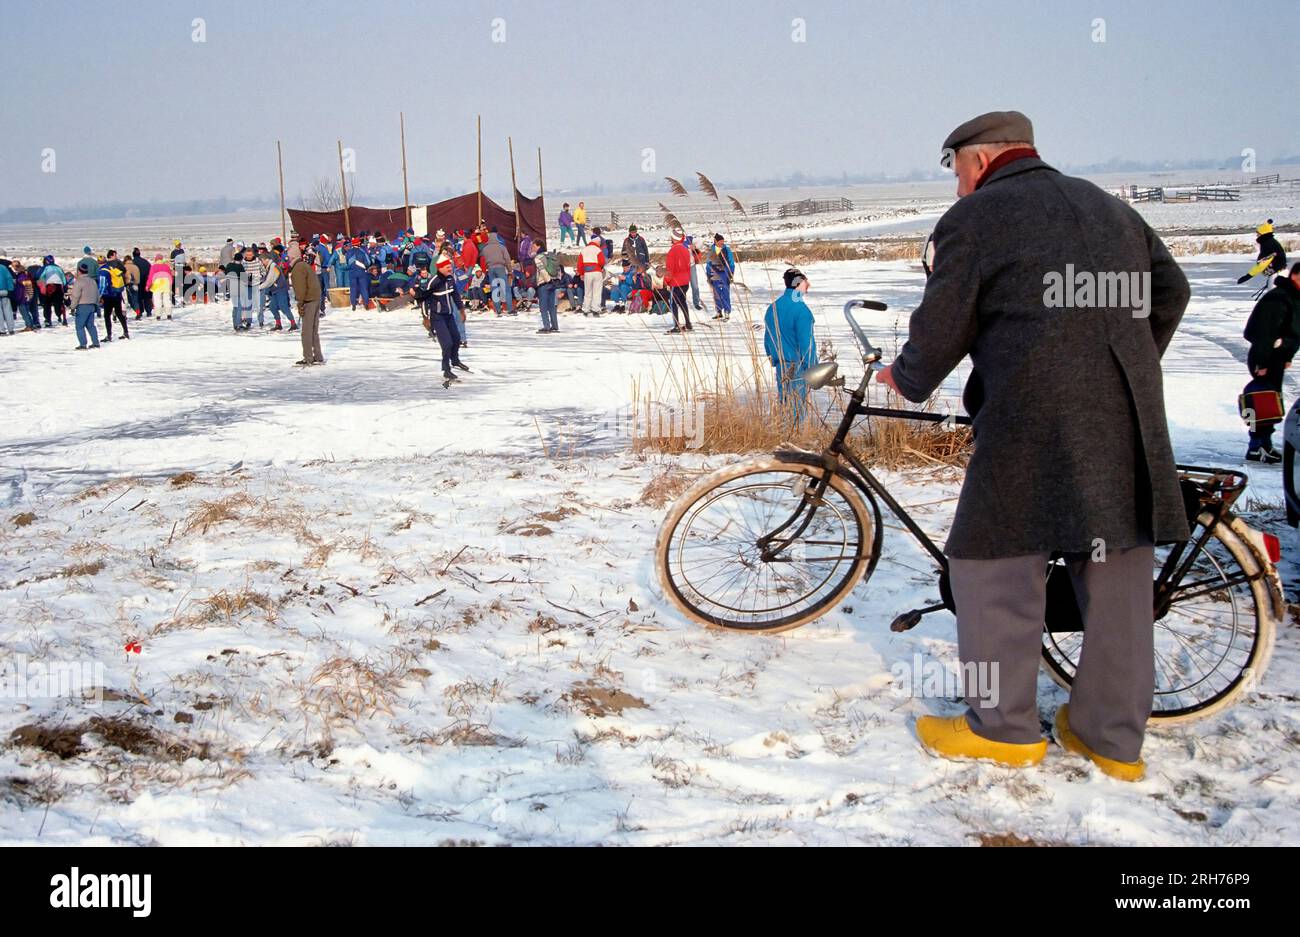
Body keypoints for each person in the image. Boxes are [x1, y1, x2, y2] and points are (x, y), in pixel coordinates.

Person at [876, 110, 1190, 781]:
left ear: (980, 159)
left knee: (989, 565)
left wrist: (904, 377)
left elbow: (940, 328)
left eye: (955, 167)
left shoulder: (975, 219)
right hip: (1126, 419)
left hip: (1029, 421)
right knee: (1116, 574)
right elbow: (1173, 290)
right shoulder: (1108, 207)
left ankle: (1004, 729)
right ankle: (1110, 738)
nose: (957, 184)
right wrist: (1125, 365)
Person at [1241, 262, 1300, 461]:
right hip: (1265, 357)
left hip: (1274, 358)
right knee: (1263, 401)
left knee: (1270, 401)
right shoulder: (1279, 299)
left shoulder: (1292, 298)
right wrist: (1262, 363)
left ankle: (1261, 444)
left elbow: (1291, 332)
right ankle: (1258, 446)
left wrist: (1287, 355)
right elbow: (1264, 334)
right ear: (1295, 276)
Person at [762, 268, 816, 420]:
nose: (809, 284)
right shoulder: (802, 310)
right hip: (797, 366)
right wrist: (813, 368)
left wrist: (773, 358)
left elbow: (768, 338)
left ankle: (784, 438)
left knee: (785, 406)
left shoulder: (773, 307)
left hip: (781, 365)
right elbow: (807, 344)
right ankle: (795, 438)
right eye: (806, 281)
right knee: (797, 410)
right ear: (798, 283)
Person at [412, 256, 470, 386]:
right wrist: (425, 318)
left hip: (448, 315)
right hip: (437, 317)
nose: (450, 268)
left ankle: (455, 360)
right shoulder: (433, 282)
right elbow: (422, 300)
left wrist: (461, 310)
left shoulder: (450, 278)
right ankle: (446, 369)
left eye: (450, 266)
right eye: (447, 267)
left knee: (456, 339)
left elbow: (455, 295)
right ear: (440, 268)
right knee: (447, 343)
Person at [289, 251, 324, 366]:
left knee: (306, 331)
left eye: (288, 257)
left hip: (308, 301)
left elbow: (300, 288)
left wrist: (300, 303)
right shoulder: (305, 265)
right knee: (314, 330)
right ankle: (318, 356)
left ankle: (308, 357)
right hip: (316, 298)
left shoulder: (297, 269)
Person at [97, 250, 130, 341]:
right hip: (117, 293)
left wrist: (99, 296)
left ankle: (109, 335)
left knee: (107, 315)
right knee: (119, 313)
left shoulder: (103, 271)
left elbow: (103, 285)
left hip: (108, 295)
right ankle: (126, 332)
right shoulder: (110, 268)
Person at [68, 259, 102, 349]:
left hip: (82, 306)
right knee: (90, 325)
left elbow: (75, 296)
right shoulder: (92, 281)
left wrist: (72, 307)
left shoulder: (79, 282)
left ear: (79, 271)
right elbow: (97, 295)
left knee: (79, 326)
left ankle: (83, 344)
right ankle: (96, 342)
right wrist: (97, 306)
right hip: (92, 305)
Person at [479, 230, 513, 316]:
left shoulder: (485, 248)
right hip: (500, 268)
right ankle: (509, 309)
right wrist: (510, 271)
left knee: (494, 289)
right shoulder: (501, 247)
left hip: (490, 269)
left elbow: (481, 257)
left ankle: (497, 310)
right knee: (506, 288)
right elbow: (507, 260)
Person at [664, 229, 692, 332]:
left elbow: (670, 269)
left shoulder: (672, 251)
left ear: (674, 238)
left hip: (676, 282)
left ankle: (676, 326)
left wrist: (666, 281)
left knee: (674, 303)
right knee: (683, 302)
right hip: (685, 281)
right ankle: (688, 323)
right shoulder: (685, 249)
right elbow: (690, 266)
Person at [534, 241, 562, 333]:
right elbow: (558, 268)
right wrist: (557, 279)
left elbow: (542, 270)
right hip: (554, 283)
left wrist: (548, 280)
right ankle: (555, 326)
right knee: (552, 306)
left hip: (544, 283)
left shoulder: (538, 258)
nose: (532, 248)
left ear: (539, 246)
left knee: (543, 306)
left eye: (534, 246)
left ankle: (546, 326)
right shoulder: (551, 255)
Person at [577, 227, 606, 317]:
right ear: (597, 242)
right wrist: (600, 268)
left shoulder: (584, 250)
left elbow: (580, 264)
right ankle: (595, 310)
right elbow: (602, 262)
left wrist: (581, 273)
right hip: (597, 272)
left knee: (588, 292)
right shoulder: (598, 250)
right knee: (597, 292)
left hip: (587, 273)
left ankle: (586, 309)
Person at [707, 233, 736, 320]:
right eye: (720, 241)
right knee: (716, 293)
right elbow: (708, 263)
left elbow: (731, 262)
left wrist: (731, 274)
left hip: (725, 273)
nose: (722, 242)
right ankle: (719, 312)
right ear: (716, 241)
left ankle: (727, 312)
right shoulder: (712, 250)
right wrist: (708, 275)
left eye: (723, 241)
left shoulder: (727, 250)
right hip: (714, 273)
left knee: (725, 293)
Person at [38, 256, 68, 326]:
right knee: (58, 303)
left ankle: (48, 320)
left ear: (46, 261)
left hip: (49, 287)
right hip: (59, 287)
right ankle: (60, 315)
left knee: (47, 304)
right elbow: (63, 279)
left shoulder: (45, 268)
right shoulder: (58, 268)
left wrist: (41, 283)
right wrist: (65, 288)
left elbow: (39, 276)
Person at [345, 238, 372, 310]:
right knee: (363, 288)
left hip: (352, 273)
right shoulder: (362, 252)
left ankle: (353, 305)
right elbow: (368, 263)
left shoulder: (348, 252)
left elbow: (347, 262)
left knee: (353, 289)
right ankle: (366, 304)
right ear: (359, 243)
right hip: (361, 272)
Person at [146, 253, 175, 319]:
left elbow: (150, 277)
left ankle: (158, 315)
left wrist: (148, 286)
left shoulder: (153, 267)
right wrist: (171, 284)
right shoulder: (166, 266)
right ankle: (169, 314)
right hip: (166, 284)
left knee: (157, 300)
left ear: (156, 259)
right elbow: (170, 276)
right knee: (167, 299)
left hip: (157, 285)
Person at [131, 248, 153, 317]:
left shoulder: (133, 262)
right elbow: (151, 271)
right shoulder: (146, 262)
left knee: (138, 297)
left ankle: (140, 311)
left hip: (137, 282)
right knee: (147, 297)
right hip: (146, 281)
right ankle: (149, 311)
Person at [0, 259, 16, 336]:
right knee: (8, 310)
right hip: (5, 291)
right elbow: (9, 278)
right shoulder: (3, 267)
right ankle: (11, 329)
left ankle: (1, 330)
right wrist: (10, 289)